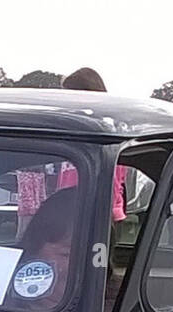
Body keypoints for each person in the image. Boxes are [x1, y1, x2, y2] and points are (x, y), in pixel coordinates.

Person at [60, 68, 127, 222]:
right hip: (68, 211)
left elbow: (113, 181)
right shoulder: (72, 130)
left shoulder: (106, 131)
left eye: (71, 96)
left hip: (97, 214)